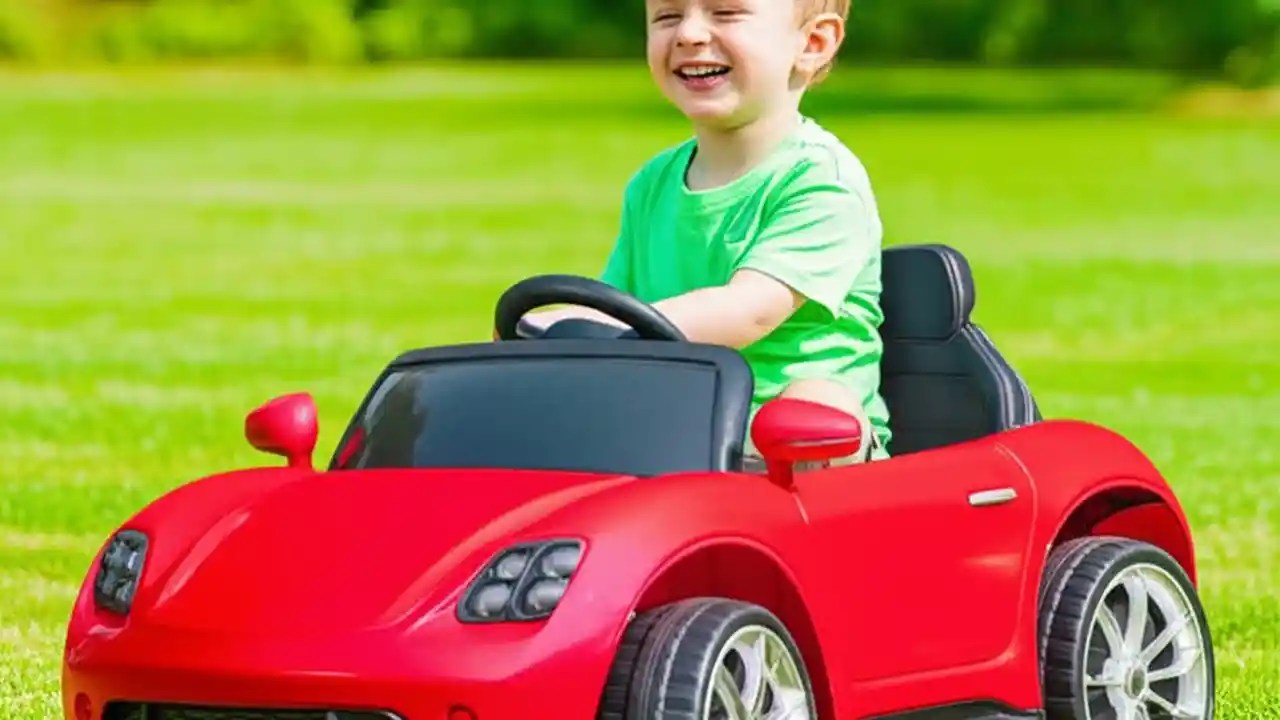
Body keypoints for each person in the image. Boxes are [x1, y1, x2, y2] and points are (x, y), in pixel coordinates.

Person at [526, 0, 891, 462]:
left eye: (726, 13)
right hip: (681, 421)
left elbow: (750, 311)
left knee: (815, 400)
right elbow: (614, 303)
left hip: (792, 451)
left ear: (812, 44)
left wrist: (598, 327)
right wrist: (549, 331)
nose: (689, 34)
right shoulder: (652, 183)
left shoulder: (820, 182)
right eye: (667, 16)